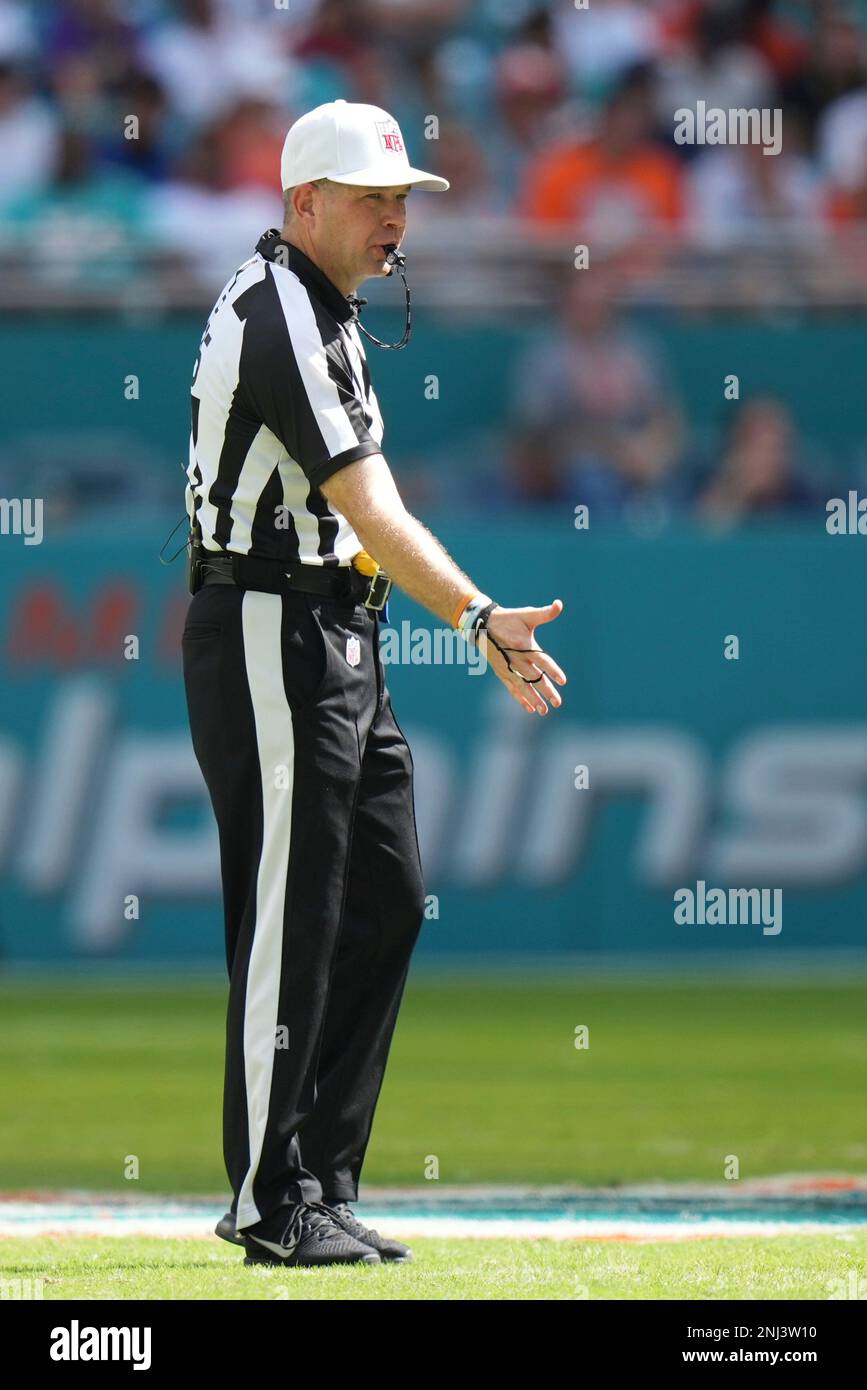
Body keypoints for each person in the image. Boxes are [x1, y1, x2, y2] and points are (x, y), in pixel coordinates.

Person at [181, 99, 567, 1270]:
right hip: (270, 622)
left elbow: (364, 515)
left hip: (335, 627)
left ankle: (318, 1179)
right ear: (304, 203)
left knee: (387, 898)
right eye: (372, 196)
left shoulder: (322, 309)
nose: (397, 216)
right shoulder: (280, 312)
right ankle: (265, 1196)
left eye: (404, 196)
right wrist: (480, 613)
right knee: (290, 919)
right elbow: (366, 505)